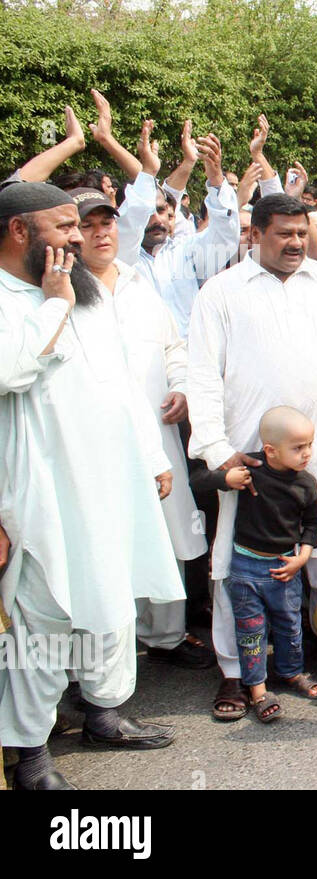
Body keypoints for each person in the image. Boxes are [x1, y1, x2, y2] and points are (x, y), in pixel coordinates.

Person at [0, 183, 184, 789]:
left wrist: (149, 456)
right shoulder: (12, 299)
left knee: (112, 601)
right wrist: (51, 303)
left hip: (111, 482)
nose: (78, 237)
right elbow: (12, 370)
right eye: (63, 227)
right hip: (44, 494)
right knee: (44, 620)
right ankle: (29, 754)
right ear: (19, 232)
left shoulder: (85, 294)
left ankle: (104, 712)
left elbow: (120, 383)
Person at [187, 194, 317, 721]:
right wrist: (217, 452)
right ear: (255, 234)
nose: (295, 243)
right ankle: (237, 673)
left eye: (302, 233)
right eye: (283, 234)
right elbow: (202, 378)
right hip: (253, 461)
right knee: (241, 568)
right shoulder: (221, 293)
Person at [71, 184, 213, 669]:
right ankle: (107, 651)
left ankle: (166, 635)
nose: (99, 234)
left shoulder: (137, 283)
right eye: (86, 225)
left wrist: (181, 387)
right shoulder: (62, 290)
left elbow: (173, 346)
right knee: (108, 535)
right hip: (96, 438)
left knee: (167, 527)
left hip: (156, 429)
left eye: (105, 223)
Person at [190, 407, 317, 721]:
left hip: (285, 569)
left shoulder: (306, 483)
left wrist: (304, 556)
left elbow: (313, 522)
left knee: (290, 625)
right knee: (250, 632)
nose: (307, 453)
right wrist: (225, 477)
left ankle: (291, 672)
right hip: (245, 569)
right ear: (270, 450)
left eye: (309, 445)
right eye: (298, 448)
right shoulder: (250, 469)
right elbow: (197, 480)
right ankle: (258, 690)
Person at [126, 123, 239, 336]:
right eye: (146, 211)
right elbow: (127, 226)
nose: (156, 219)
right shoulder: (120, 259)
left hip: (187, 360)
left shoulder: (185, 251)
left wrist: (216, 181)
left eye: (160, 210)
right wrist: (148, 171)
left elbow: (225, 238)